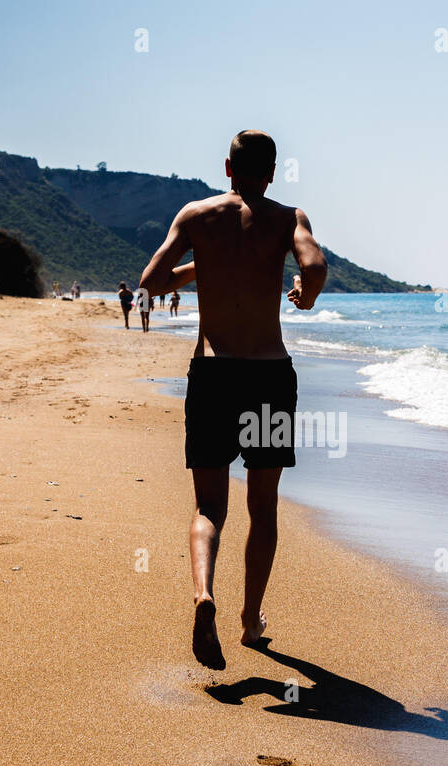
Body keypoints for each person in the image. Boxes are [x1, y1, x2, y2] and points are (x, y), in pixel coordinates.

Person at [138, 129, 327, 670]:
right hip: (267, 377)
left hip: (213, 373)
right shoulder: (289, 218)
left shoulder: (196, 215)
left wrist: (202, 266)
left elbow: (151, 283)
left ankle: (203, 595)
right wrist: (304, 295)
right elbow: (313, 268)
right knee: (262, 507)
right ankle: (250, 621)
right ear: (272, 173)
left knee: (208, 508)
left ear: (227, 167)